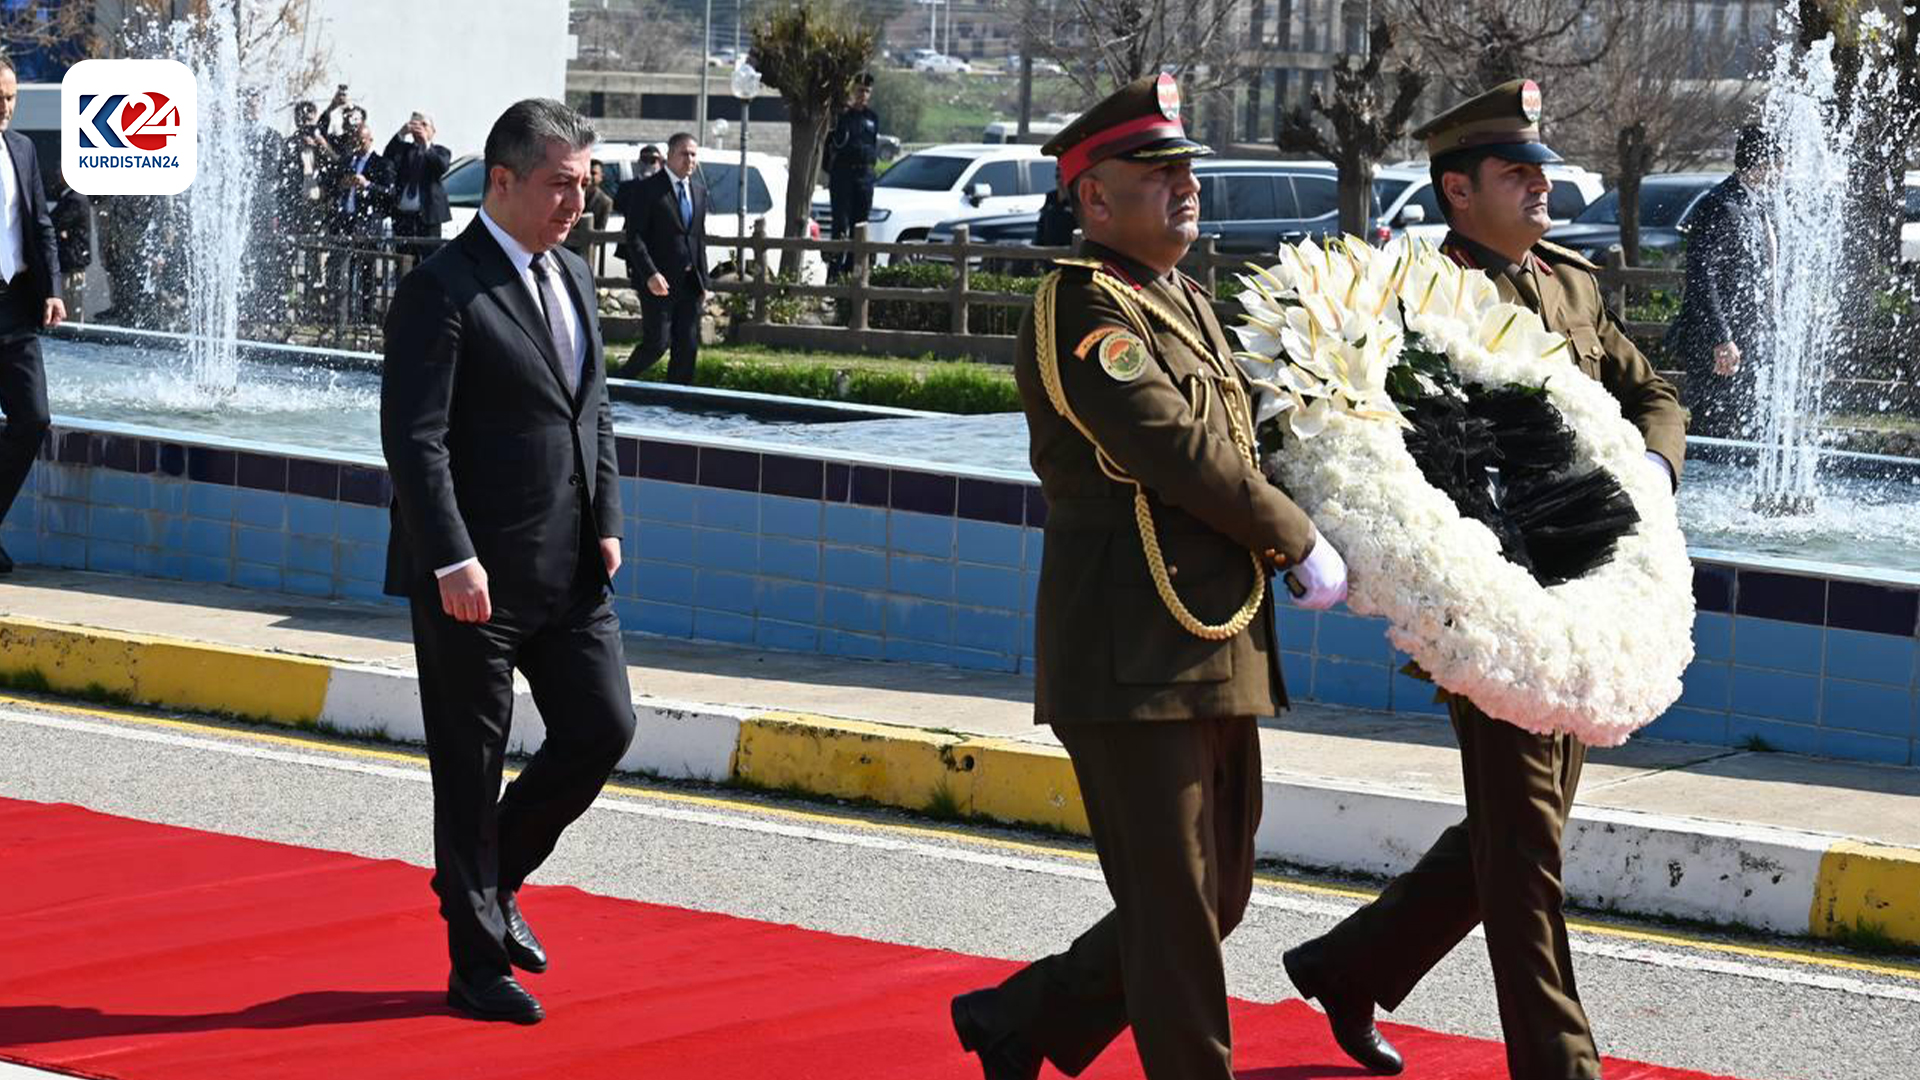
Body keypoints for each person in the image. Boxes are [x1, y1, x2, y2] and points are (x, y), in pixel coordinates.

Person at [1280, 79, 1687, 1080]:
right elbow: (1412, 461)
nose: (1543, 185)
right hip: (1497, 610)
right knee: (1528, 849)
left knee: (1514, 833)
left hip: (1593, 604)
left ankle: (1352, 964)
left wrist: (1652, 478)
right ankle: (1560, 1065)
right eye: (1518, 171)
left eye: (1541, 167)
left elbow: (1651, 390)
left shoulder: (1571, 283)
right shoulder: (1418, 304)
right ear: (1458, 190)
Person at [948, 74, 1347, 1080]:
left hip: (1216, 639)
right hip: (1130, 649)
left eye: (1187, 171)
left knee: (1216, 899)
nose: (1185, 187)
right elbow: (1171, 448)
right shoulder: (1084, 308)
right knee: (1174, 913)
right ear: (1093, 199)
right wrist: (1297, 538)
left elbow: (1256, 443)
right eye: (1157, 172)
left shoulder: (1193, 306)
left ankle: (1023, 1018)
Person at [380, 97, 633, 1026]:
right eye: (561, 185)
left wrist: (606, 516)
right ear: (502, 181)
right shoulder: (444, 288)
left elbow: (594, 409)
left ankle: (489, 880)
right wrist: (450, 556)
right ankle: (476, 965)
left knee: (602, 728)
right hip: (471, 581)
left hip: (570, 571)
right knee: (470, 764)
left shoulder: (570, 273)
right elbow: (415, 439)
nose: (578, 203)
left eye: (586, 184)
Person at [1665, 123, 1781, 440]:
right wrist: (1722, 337)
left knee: (1748, 426)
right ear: (1760, 163)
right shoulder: (1719, 204)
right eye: (1777, 165)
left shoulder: (1758, 203)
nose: (1780, 174)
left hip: (1752, 335)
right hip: (1719, 341)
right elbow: (1702, 276)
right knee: (1717, 428)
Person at [0, 56, 62, 571]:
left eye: (11, 97)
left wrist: (54, 290)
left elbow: (40, 225)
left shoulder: (21, 149)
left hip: (16, 308)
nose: (6, 107)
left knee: (34, 417)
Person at [618, 132, 707, 384]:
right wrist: (650, 274)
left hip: (690, 280)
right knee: (657, 343)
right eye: (684, 154)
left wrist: (704, 282)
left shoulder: (699, 191)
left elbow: (698, 239)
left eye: (693, 154)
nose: (689, 160)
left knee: (687, 345)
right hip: (658, 280)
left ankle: (677, 401)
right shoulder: (648, 189)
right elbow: (634, 237)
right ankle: (616, 383)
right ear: (669, 156)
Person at [326, 123, 394, 321]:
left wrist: (368, 185)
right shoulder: (348, 161)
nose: (357, 144)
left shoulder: (381, 163)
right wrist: (342, 183)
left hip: (367, 223)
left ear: (370, 140)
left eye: (361, 140)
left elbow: (389, 193)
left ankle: (365, 315)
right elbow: (332, 184)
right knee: (344, 267)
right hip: (346, 221)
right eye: (354, 140)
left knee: (366, 270)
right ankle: (342, 314)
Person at [825, 74, 880, 277]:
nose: (862, 95)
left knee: (860, 225)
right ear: (852, 91)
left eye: (866, 91)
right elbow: (828, 146)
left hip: (864, 175)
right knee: (840, 225)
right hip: (843, 174)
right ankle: (834, 274)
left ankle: (853, 273)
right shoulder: (841, 117)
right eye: (859, 90)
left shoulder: (872, 118)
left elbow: (872, 145)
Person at [384, 111, 453, 241]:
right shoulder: (405, 150)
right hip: (403, 215)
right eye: (416, 124)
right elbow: (388, 157)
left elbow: (441, 166)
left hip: (428, 216)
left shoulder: (441, 151)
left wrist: (426, 144)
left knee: (428, 255)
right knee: (404, 256)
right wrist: (401, 133)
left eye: (424, 125)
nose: (420, 128)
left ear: (433, 131)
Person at [49, 171, 90, 324]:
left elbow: (54, 223)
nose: (58, 175)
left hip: (72, 262)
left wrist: (61, 231)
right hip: (70, 261)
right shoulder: (68, 197)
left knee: (71, 310)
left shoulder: (75, 199)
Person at [564, 159, 615, 267]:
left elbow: (600, 231)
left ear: (601, 177)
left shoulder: (605, 202)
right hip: (563, 249)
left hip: (585, 254)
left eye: (594, 173)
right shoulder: (571, 194)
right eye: (587, 172)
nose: (590, 176)